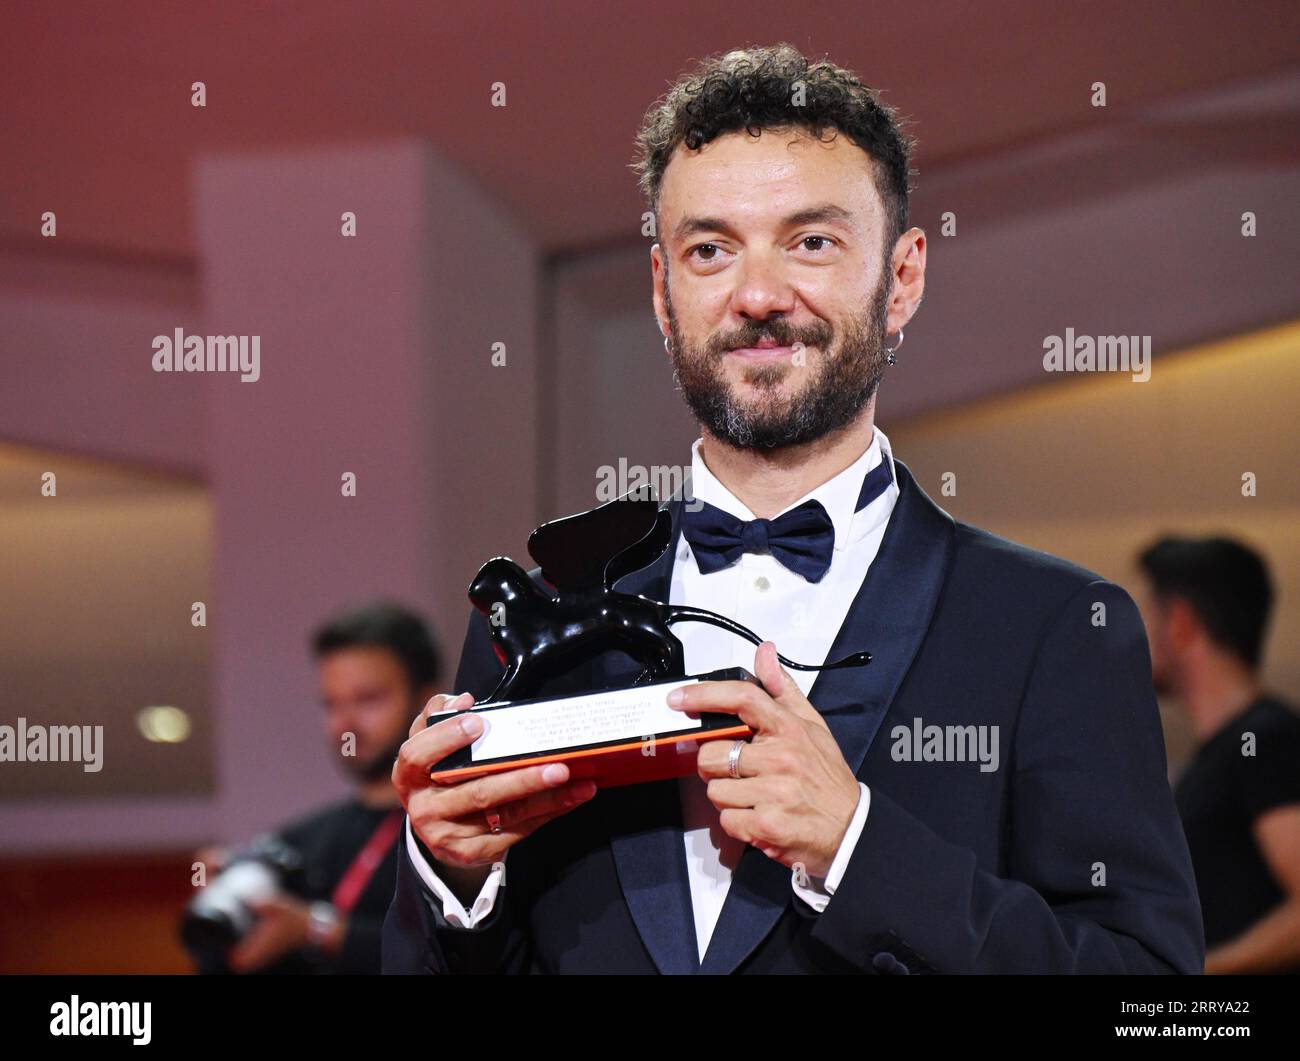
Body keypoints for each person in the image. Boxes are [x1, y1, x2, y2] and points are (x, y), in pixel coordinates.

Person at [382, 43, 1204, 974]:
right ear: (661, 292)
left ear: (901, 279)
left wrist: (857, 847)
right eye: (710, 250)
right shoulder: (532, 620)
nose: (760, 296)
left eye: (812, 241)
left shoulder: (1054, 626)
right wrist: (450, 879)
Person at [196, 601, 440, 974]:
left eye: (368, 699)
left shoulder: (459, 831)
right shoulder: (296, 844)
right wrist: (226, 919)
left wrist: (315, 930)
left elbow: (463, 956)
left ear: (426, 698)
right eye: (331, 704)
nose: (346, 723)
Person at [1138, 536, 1300, 974]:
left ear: (1181, 623)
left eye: (1149, 617)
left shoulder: (1269, 740)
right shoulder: (1220, 757)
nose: (1139, 638)